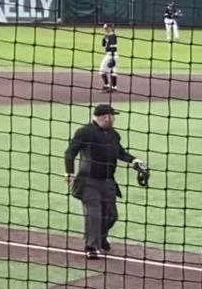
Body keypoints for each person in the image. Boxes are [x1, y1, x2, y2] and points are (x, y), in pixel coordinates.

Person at [63, 103, 147, 260]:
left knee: (111, 215)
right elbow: (70, 153)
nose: (114, 119)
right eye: (112, 116)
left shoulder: (113, 134)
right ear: (106, 117)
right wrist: (69, 172)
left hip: (107, 181)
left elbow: (119, 152)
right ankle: (91, 247)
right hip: (88, 181)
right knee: (94, 213)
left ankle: (100, 238)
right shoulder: (85, 132)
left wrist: (134, 160)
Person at [98, 23, 119, 92]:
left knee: (103, 70)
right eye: (105, 29)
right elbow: (103, 45)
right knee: (111, 71)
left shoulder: (112, 36)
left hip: (111, 55)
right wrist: (104, 38)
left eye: (106, 28)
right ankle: (112, 87)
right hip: (110, 54)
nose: (105, 30)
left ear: (110, 28)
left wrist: (112, 58)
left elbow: (113, 47)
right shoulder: (108, 35)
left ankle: (109, 86)